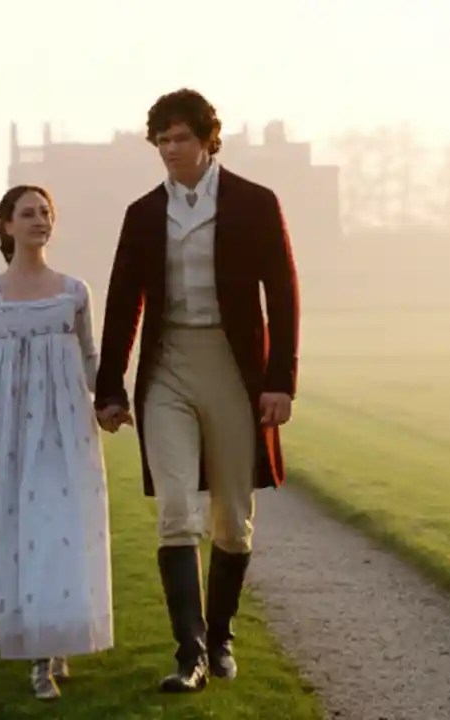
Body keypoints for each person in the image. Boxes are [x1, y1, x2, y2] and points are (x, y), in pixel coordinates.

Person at [94, 88, 300, 693]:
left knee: (232, 520)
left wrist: (281, 382)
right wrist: (110, 387)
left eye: (181, 137)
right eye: (161, 139)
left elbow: (283, 296)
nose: (170, 148)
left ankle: (221, 634)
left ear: (209, 140)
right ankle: (190, 656)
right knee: (176, 513)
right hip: (169, 369)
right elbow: (122, 302)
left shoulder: (255, 204)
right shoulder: (142, 214)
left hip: (235, 370)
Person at [0, 184, 113, 701]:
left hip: (66, 428)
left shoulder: (75, 292)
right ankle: (37, 651)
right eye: (27, 213)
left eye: (46, 212)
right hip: (7, 431)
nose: (39, 220)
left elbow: (92, 360)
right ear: (6, 225)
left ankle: (53, 644)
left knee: (59, 529)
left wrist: (113, 402)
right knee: (23, 532)